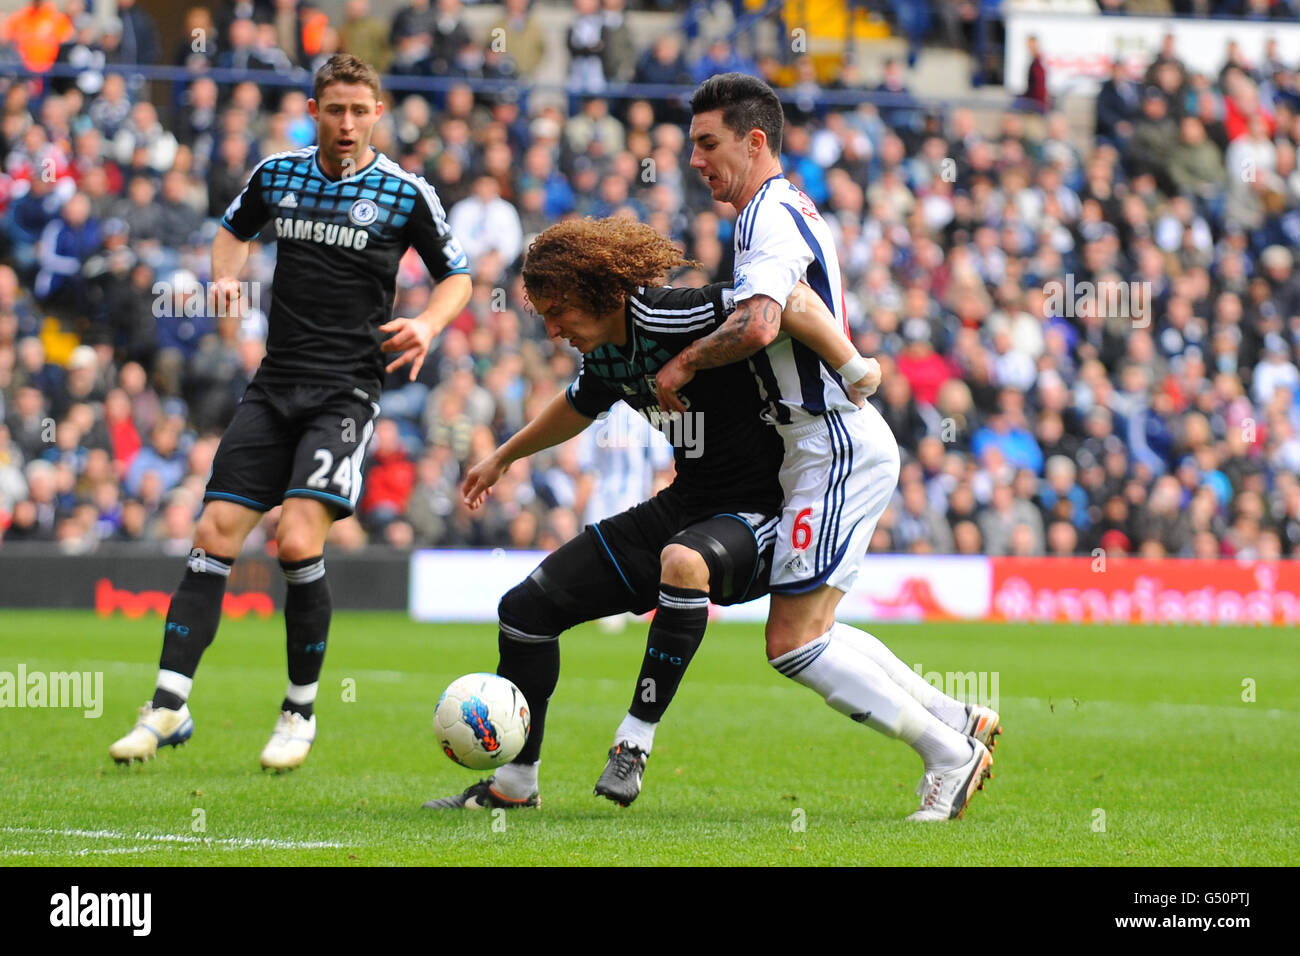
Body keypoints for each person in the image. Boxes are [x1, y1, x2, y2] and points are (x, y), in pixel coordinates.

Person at [422, 217, 873, 810]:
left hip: (763, 508)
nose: (554, 330)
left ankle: (633, 743)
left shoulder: (674, 314)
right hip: (686, 505)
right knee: (525, 610)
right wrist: (505, 456)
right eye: (545, 317)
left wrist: (855, 364)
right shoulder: (606, 354)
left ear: (600, 294)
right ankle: (515, 784)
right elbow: (579, 406)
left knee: (682, 562)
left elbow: (789, 299)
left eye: (560, 312)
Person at [108, 54, 472, 770]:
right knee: (213, 529)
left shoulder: (405, 194)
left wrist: (428, 324)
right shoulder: (277, 174)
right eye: (334, 109)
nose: (346, 123)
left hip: (345, 392)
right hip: (275, 387)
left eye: (359, 111)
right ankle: (168, 705)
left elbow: (457, 276)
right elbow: (231, 229)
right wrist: (223, 278)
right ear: (314, 109)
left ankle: (299, 710)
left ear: (377, 114)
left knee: (298, 541)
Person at [655, 73, 998, 821]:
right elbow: (801, 307)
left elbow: (761, 322)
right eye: (690, 147)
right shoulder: (778, 210)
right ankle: (958, 720)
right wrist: (851, 362)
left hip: (830, 441)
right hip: (825, 439)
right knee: (813, 628)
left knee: (793, 643)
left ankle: (950, 755)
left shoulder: (767, 220)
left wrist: (682, 361)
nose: (695, 161)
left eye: (707, 145)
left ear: (754, 142)